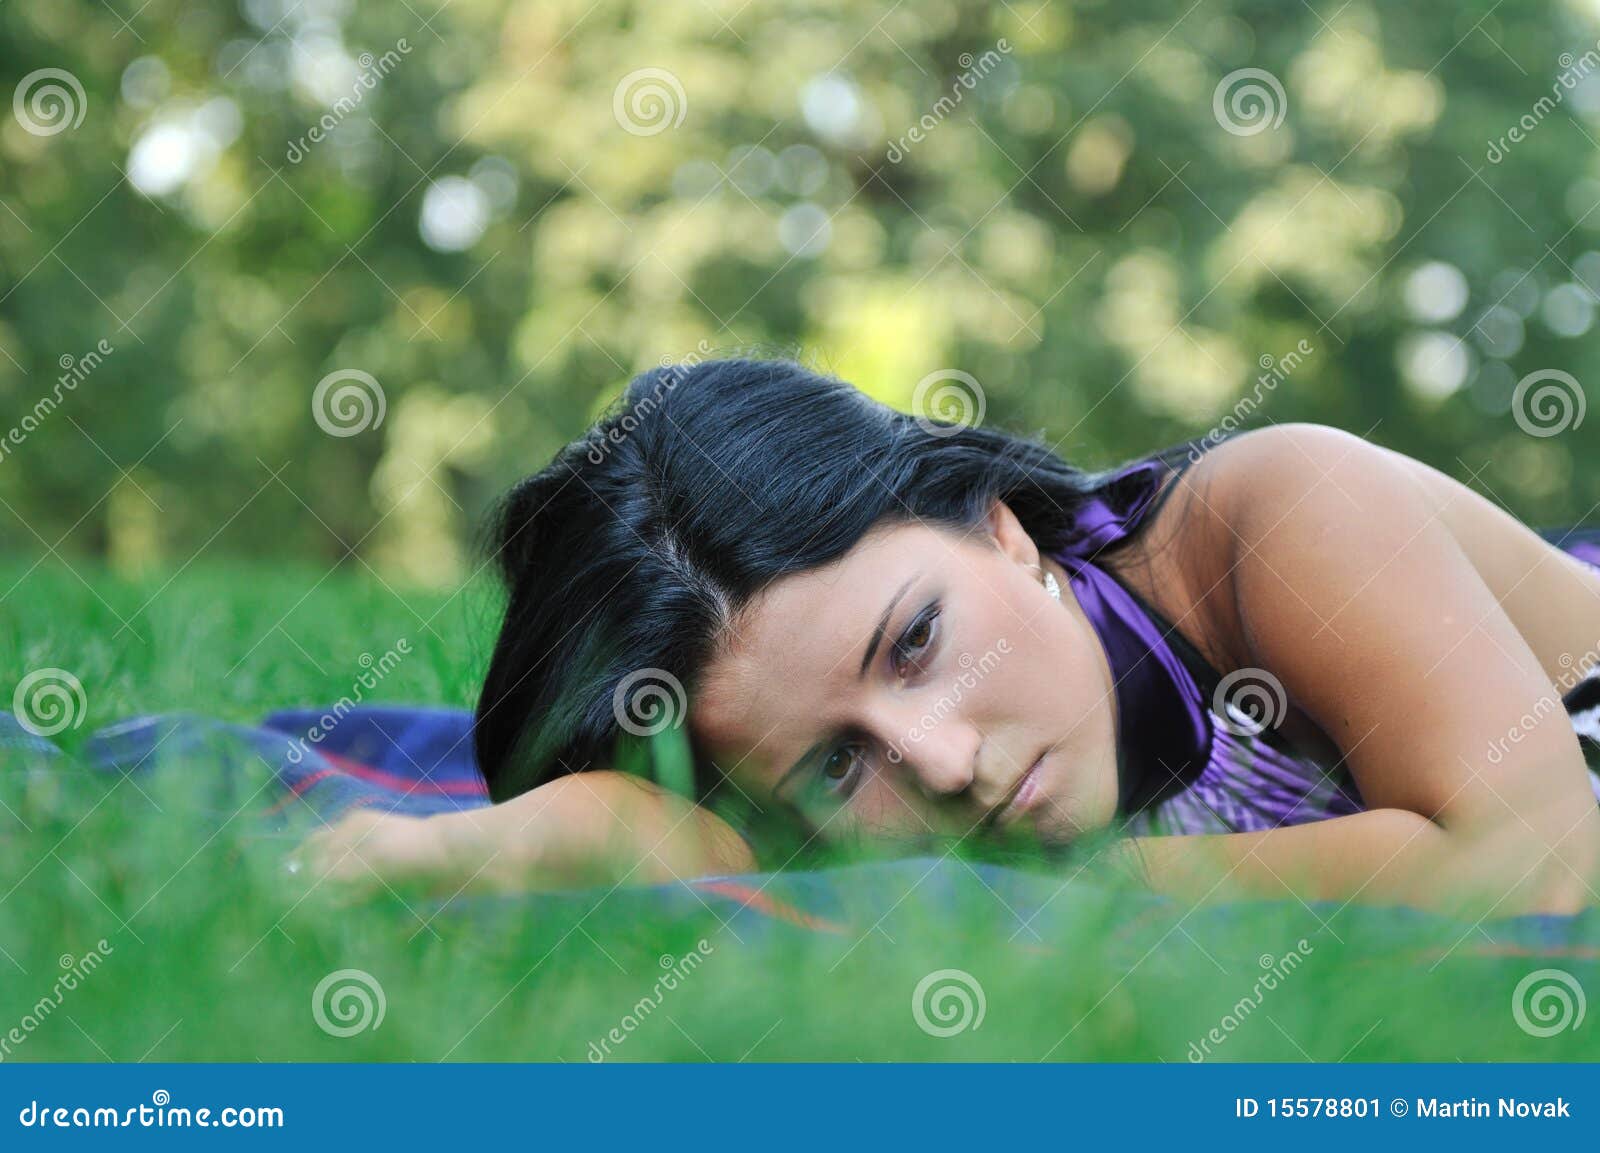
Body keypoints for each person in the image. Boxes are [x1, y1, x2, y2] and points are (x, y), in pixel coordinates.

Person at [303, 358, 1600, 916]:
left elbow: (1537, 867)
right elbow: (674, 831)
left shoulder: (1277, 517)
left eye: (914, 641)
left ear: (998, 529)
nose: (936, 764)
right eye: (833, 763)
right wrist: (422, 848)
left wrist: (1007, 896)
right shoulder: (875, 815)